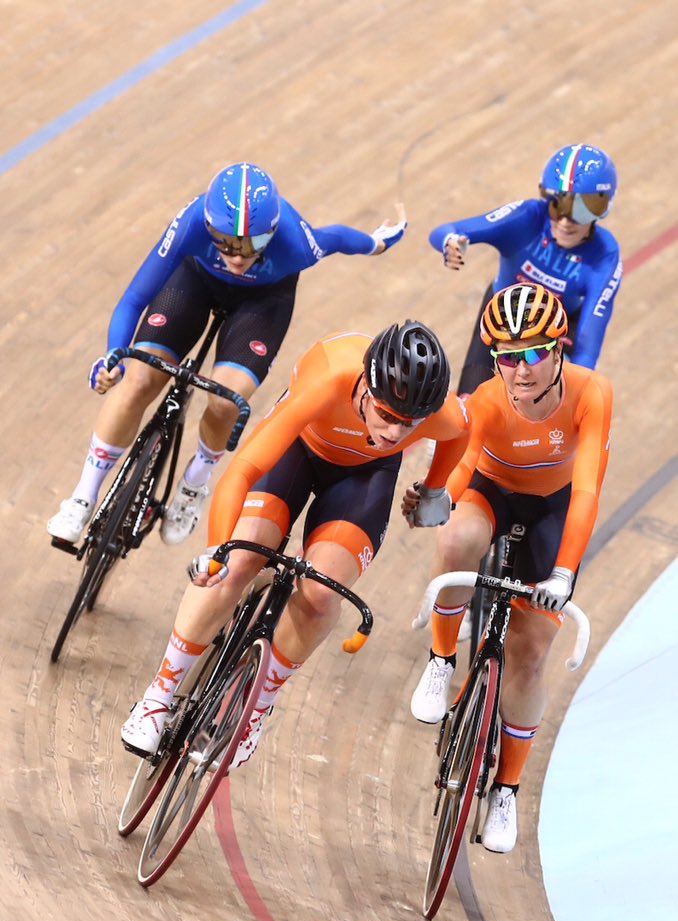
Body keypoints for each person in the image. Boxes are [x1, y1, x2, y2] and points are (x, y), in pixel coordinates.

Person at [120, 320, 471, 767]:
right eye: (387, 415)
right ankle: (160, 694)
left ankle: (258, 705)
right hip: (297, 451)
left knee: (322, 593)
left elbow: (462, 431)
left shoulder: (437, 415)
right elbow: (241, 473)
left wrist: (435, 489)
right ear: (366, 387)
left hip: (364, 477)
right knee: (241, 558)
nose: (398, 433)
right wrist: (215, 552)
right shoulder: (326, 382)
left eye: (410, 423)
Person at [48, 161, 408, 547]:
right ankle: (83, 496)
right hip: (196, 281)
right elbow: (136, 297)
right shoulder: (189, 223)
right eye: (225, 241)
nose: (237, 256)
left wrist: (378, 242)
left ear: (271, 234)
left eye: (251, 245)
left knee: (224, 402)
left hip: (264, 299)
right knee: (137, 379)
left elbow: (335, 237)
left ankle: (194, 484)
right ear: (207, 226)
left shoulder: (297, 243)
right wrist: (112, 356)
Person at [403, 283, 613, 855]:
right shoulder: (488, 401)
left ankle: (507, 788)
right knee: (460, 538)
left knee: (530, 652)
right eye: (504, 356)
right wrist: (436, 498)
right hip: (492, 492)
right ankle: (443, 660)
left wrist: (563, 576)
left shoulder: (593, 394)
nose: (517, 370)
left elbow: (588, 489)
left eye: (531, 354)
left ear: (560, 348)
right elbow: (463, 462)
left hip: (553, 510)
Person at [430, 143, 622, 396]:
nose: (566, 221)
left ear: (603, 209)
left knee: (543, 406)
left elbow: (588, 346)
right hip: (501, 315)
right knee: (470, 401)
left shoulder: (605, 254)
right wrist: (450, 242)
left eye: (583, 211)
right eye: (558, 206)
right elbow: (444, 231)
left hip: (556, 328)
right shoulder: (525, 217)